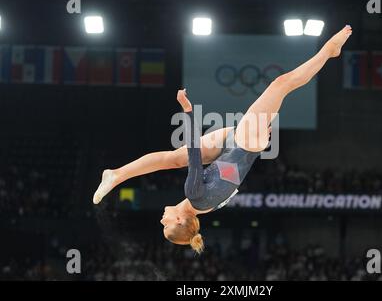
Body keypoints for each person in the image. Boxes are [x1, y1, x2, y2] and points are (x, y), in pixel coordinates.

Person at [92, 25, 353, 253]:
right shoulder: (194, 196)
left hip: (234, 145)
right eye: (167, 224)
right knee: (280, 84)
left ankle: (116, 174)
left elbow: (220, 169)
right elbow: (195, 150)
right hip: (244, 142)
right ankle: (329, 51)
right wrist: (188, 110)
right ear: (181, 221)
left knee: (173, 159)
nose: (162, 220)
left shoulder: (203, 207)